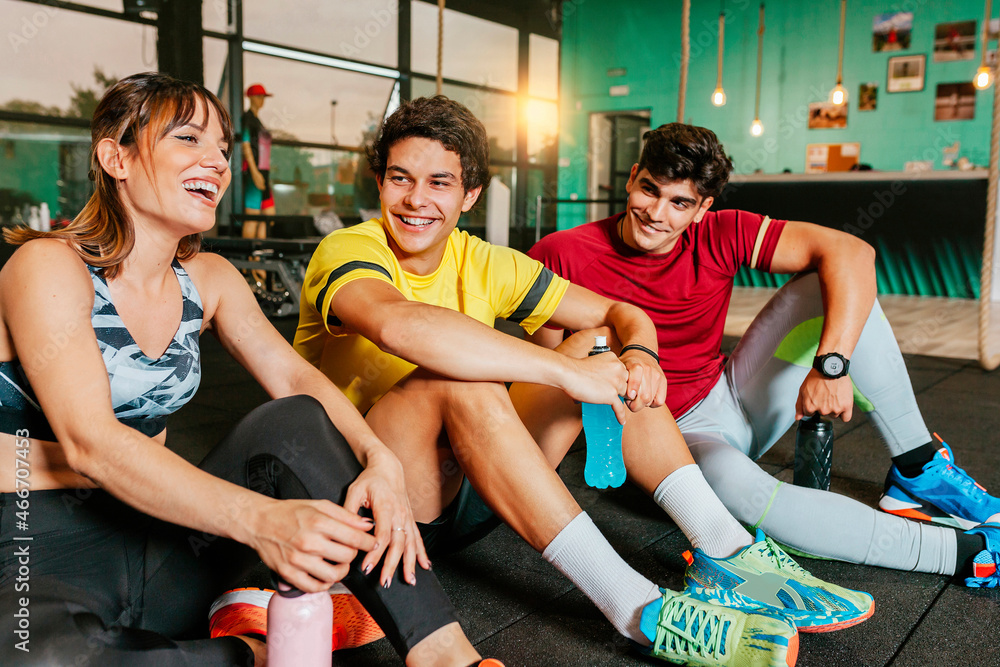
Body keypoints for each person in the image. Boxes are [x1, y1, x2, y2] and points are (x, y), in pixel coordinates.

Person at [292, 95, 881, 666]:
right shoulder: (349, 248)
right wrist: (567, 373)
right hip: (373, 501)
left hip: (470, 492)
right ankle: (636, 606)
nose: (417, 200)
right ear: (379, 182)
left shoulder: (486, 260)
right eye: (401, 179)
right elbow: (403, 325)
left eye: (439, 183)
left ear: (470, 194)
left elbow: (624, 317)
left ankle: (723, 547)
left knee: (608, 350)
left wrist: (642, 356)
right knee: (458, 380)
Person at [0, 72, 503, 667]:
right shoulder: (48, 266)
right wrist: (262, 521)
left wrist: (379, 457)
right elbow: (90, 443)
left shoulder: (209, 279)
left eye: (221, 147)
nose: (216, 161)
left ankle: (446, 655)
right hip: (32, 547)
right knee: (45, 656)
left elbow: (295, 380)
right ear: (116, 156)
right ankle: (264, 648)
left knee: (293, 421)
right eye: (188, 139)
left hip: (162, 536)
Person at [527, 122, 1000, 590]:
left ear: (703, 208)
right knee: (736, 488)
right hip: (672, 440)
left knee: (831, 280)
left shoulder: (720, 232)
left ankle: (918, 467)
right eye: (649, 190)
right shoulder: (561, 253)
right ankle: (964, 554)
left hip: (735, 397)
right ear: (632, 177)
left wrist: (831, 366)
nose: (656, 213)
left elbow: (853, 252)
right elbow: (551, 383)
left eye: (680, 203)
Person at [241, 82, 275, 241]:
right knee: (253, 218)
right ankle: (248, 263)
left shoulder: (257, 121)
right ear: (252, 98)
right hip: (254, 172)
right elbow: (245, 145)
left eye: (263, 97)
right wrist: (254, 173)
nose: (262, 100)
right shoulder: (247, 119)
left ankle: (258, 261)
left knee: (269, 217)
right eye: (259, 96)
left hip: (263, 171)